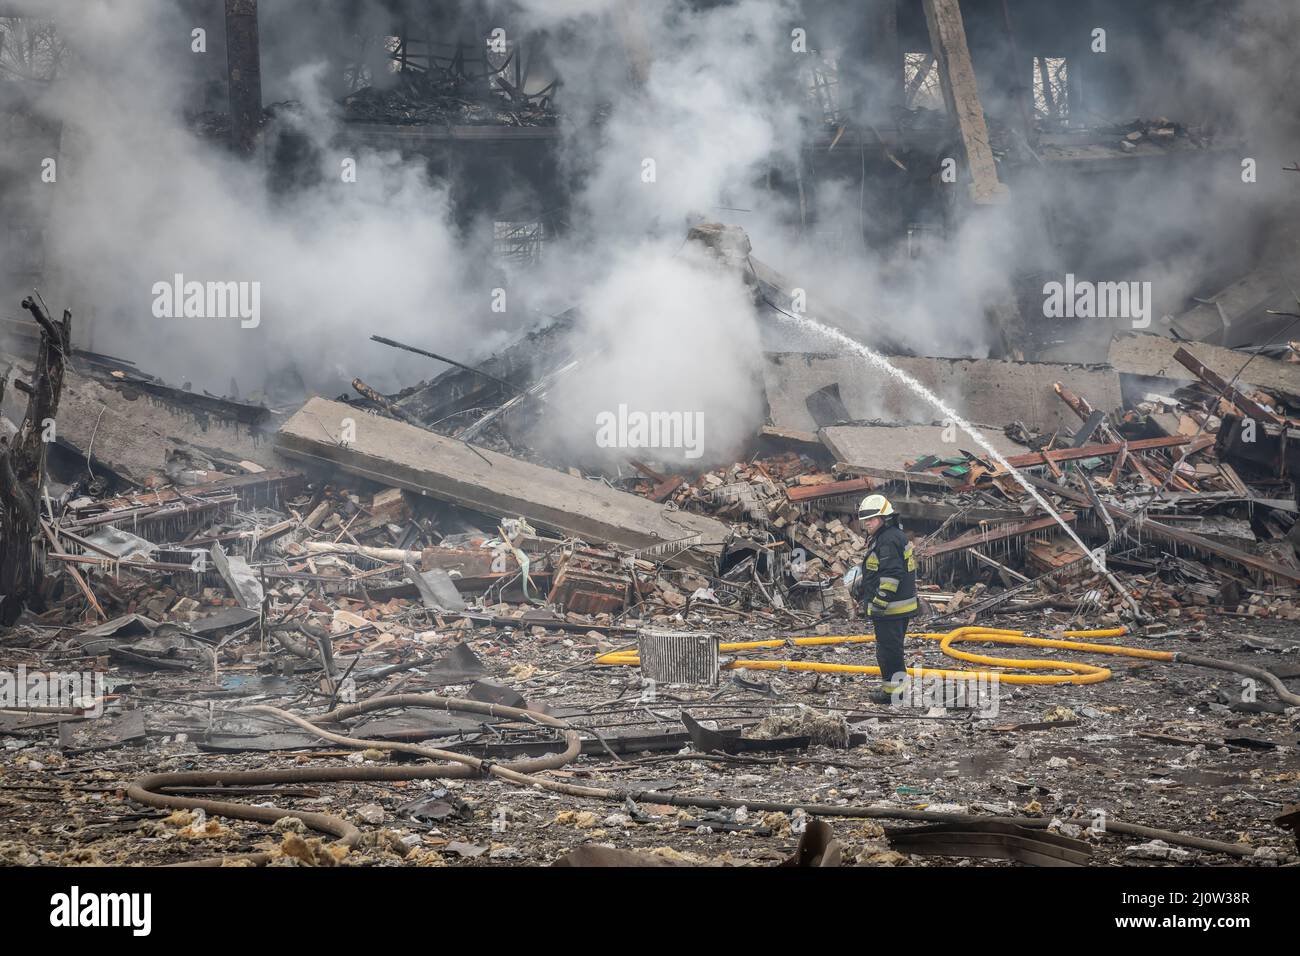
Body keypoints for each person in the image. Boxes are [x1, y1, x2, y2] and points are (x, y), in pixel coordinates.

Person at [851, 494, 918, 705]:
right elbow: (882, 570)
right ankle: (895, 690)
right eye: (866, 520)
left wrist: (879, 602)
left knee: (888, 652)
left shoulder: (887, 540)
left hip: (891, 609)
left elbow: (891, 575)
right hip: (897, 607)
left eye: (871, 519)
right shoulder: (890, 535)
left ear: (884, 518)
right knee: (891, 650)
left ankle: (894, 694)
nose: (867, 523)